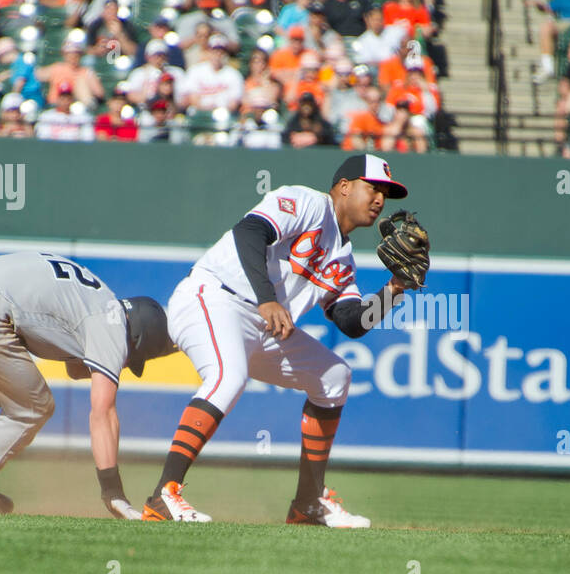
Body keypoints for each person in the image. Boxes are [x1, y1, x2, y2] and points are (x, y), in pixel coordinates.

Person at [141, 155, 418, 527]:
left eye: (386, 193)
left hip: (264, 327)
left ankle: (307, 503)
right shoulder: (305, 202)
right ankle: (163, 493)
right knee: (228, 377)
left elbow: (351, 323)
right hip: (214, 296)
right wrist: (268, 299)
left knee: (335, 376)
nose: (380, 199)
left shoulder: (344, 257)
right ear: (344, 186)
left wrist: (395, 289)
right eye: (374, 188)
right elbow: (249, 232)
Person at [0, 252, 173, 519]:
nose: (123, 363)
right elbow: (103, 412)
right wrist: (113, 492)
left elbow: (74, 369)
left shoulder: (95, 300)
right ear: (136, 339)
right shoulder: (113, 324)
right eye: (130, 358)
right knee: (34, 407)